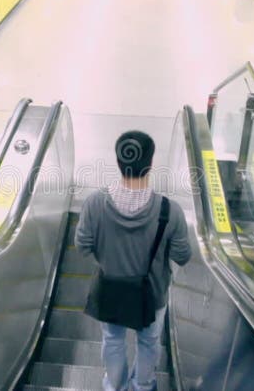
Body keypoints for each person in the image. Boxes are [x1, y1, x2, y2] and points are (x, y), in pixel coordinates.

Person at [76, 130, 191, 391]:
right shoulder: (170, 211)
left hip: (110, 288)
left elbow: (82, 246)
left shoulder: (94, 203)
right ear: (150, 163)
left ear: (119, 161)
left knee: (113, 340)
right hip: (153, 292)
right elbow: (182, 256)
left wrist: (107, 256)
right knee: (149, 342)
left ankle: (115, 386)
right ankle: (143, 385)